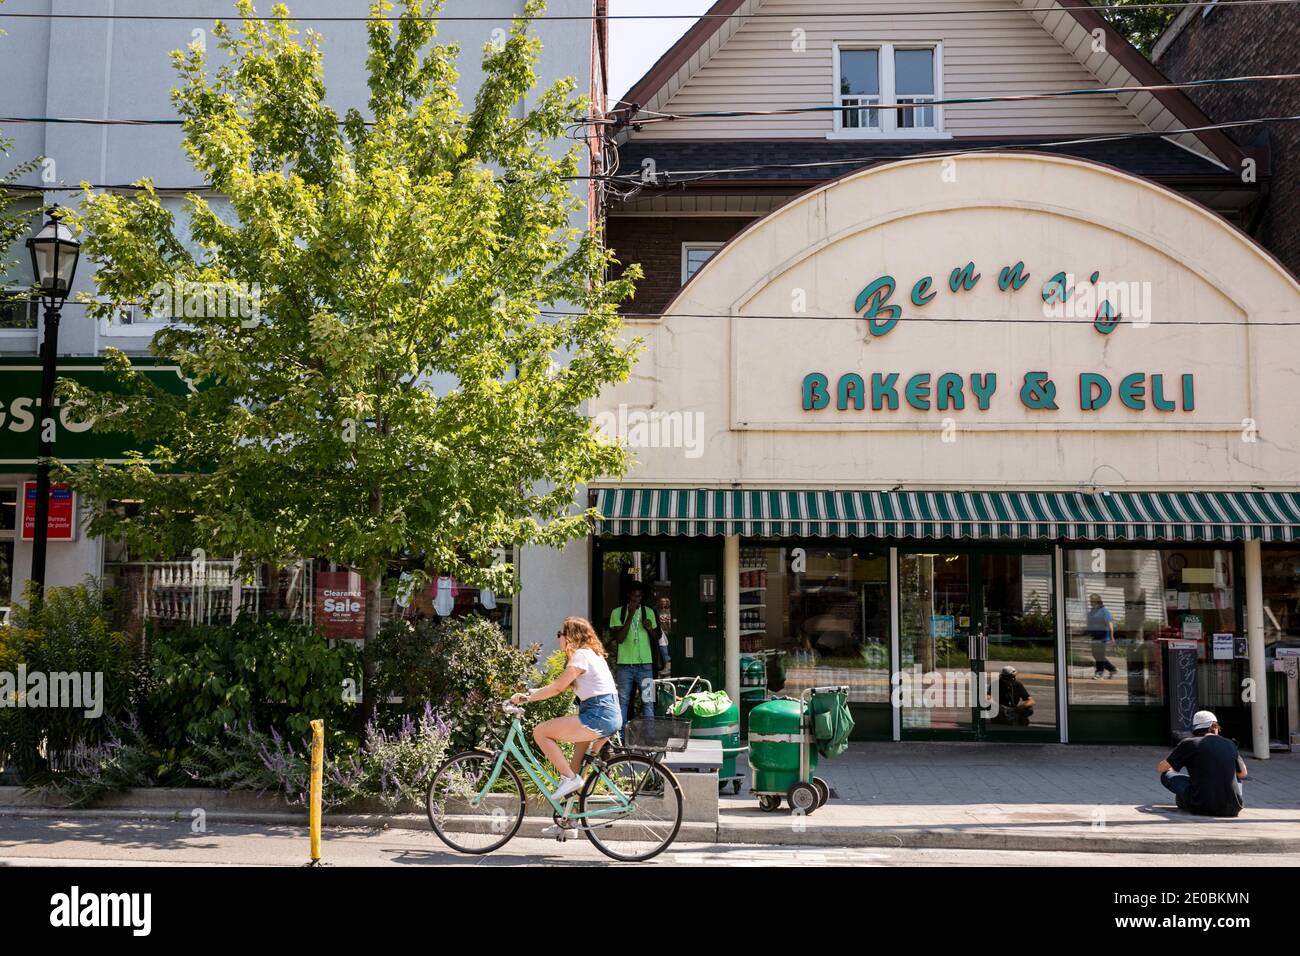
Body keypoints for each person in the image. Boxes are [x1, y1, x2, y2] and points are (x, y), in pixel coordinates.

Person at [510, 617, 622, 801]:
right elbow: (561, 685)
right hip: (606, 714)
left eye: (559, 634)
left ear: (570, 636)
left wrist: (528, 699)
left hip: (597, 714)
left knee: (540, 732)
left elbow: (557, 688)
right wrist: (529, 693)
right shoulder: (593, 655)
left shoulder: (581, 656)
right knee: (575, 769)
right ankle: (568, 821)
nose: (558, 638)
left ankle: (569, 779)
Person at [1156, 710, 1248, 817]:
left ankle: (1188, 799)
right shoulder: (1230, 744)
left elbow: (1161, 768)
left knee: (1166, 775)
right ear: (1216, 727)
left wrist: (1172, 768)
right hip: (1232, 809)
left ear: (1196, 729)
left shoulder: (1189, 743)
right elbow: (1243, 773)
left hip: (1201, 806)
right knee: (1236, 777)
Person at [610, 583, 661, 724]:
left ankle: (650, 736)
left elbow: (657, 637)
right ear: (628, 596)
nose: (636, 599)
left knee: (648, 701)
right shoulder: (618, 612)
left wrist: (650, 628)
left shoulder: (648, 612)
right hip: (625, 665)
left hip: (645, 665)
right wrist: (630, 615)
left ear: (642, 596)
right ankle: (620, 737)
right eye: (633, 596)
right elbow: (620, 639)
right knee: (623, 701)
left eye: (638, 596)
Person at [1085, 593, 1119, 678]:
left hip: (1103, 637)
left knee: (1099, 655)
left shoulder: (1104, 611)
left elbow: (1110, 625)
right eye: (1090, 601)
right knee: (1096, 655)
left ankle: (1099, 672)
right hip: (1095, 636)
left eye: (1092, 601)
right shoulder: (1092, 611)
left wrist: (1112, 638)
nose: (1091, 602)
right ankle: (1112, 669)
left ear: (1098, 601)